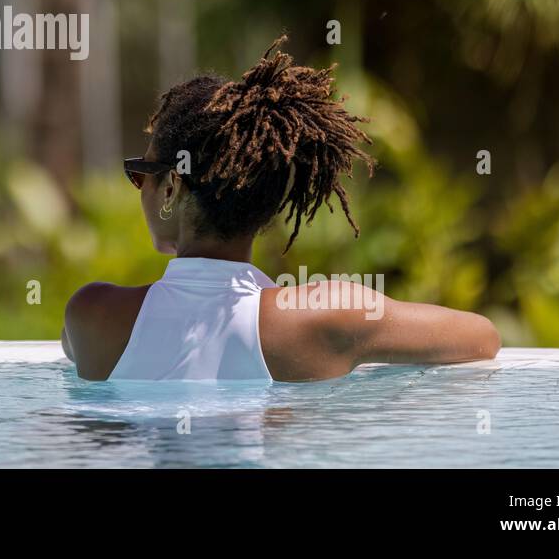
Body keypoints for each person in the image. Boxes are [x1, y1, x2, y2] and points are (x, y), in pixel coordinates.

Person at [61, 37, 501, 382]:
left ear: (172, 186)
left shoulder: (93, 315)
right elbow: (483, 337)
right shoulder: (327, 316)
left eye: (140, 173)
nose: (139, 188)